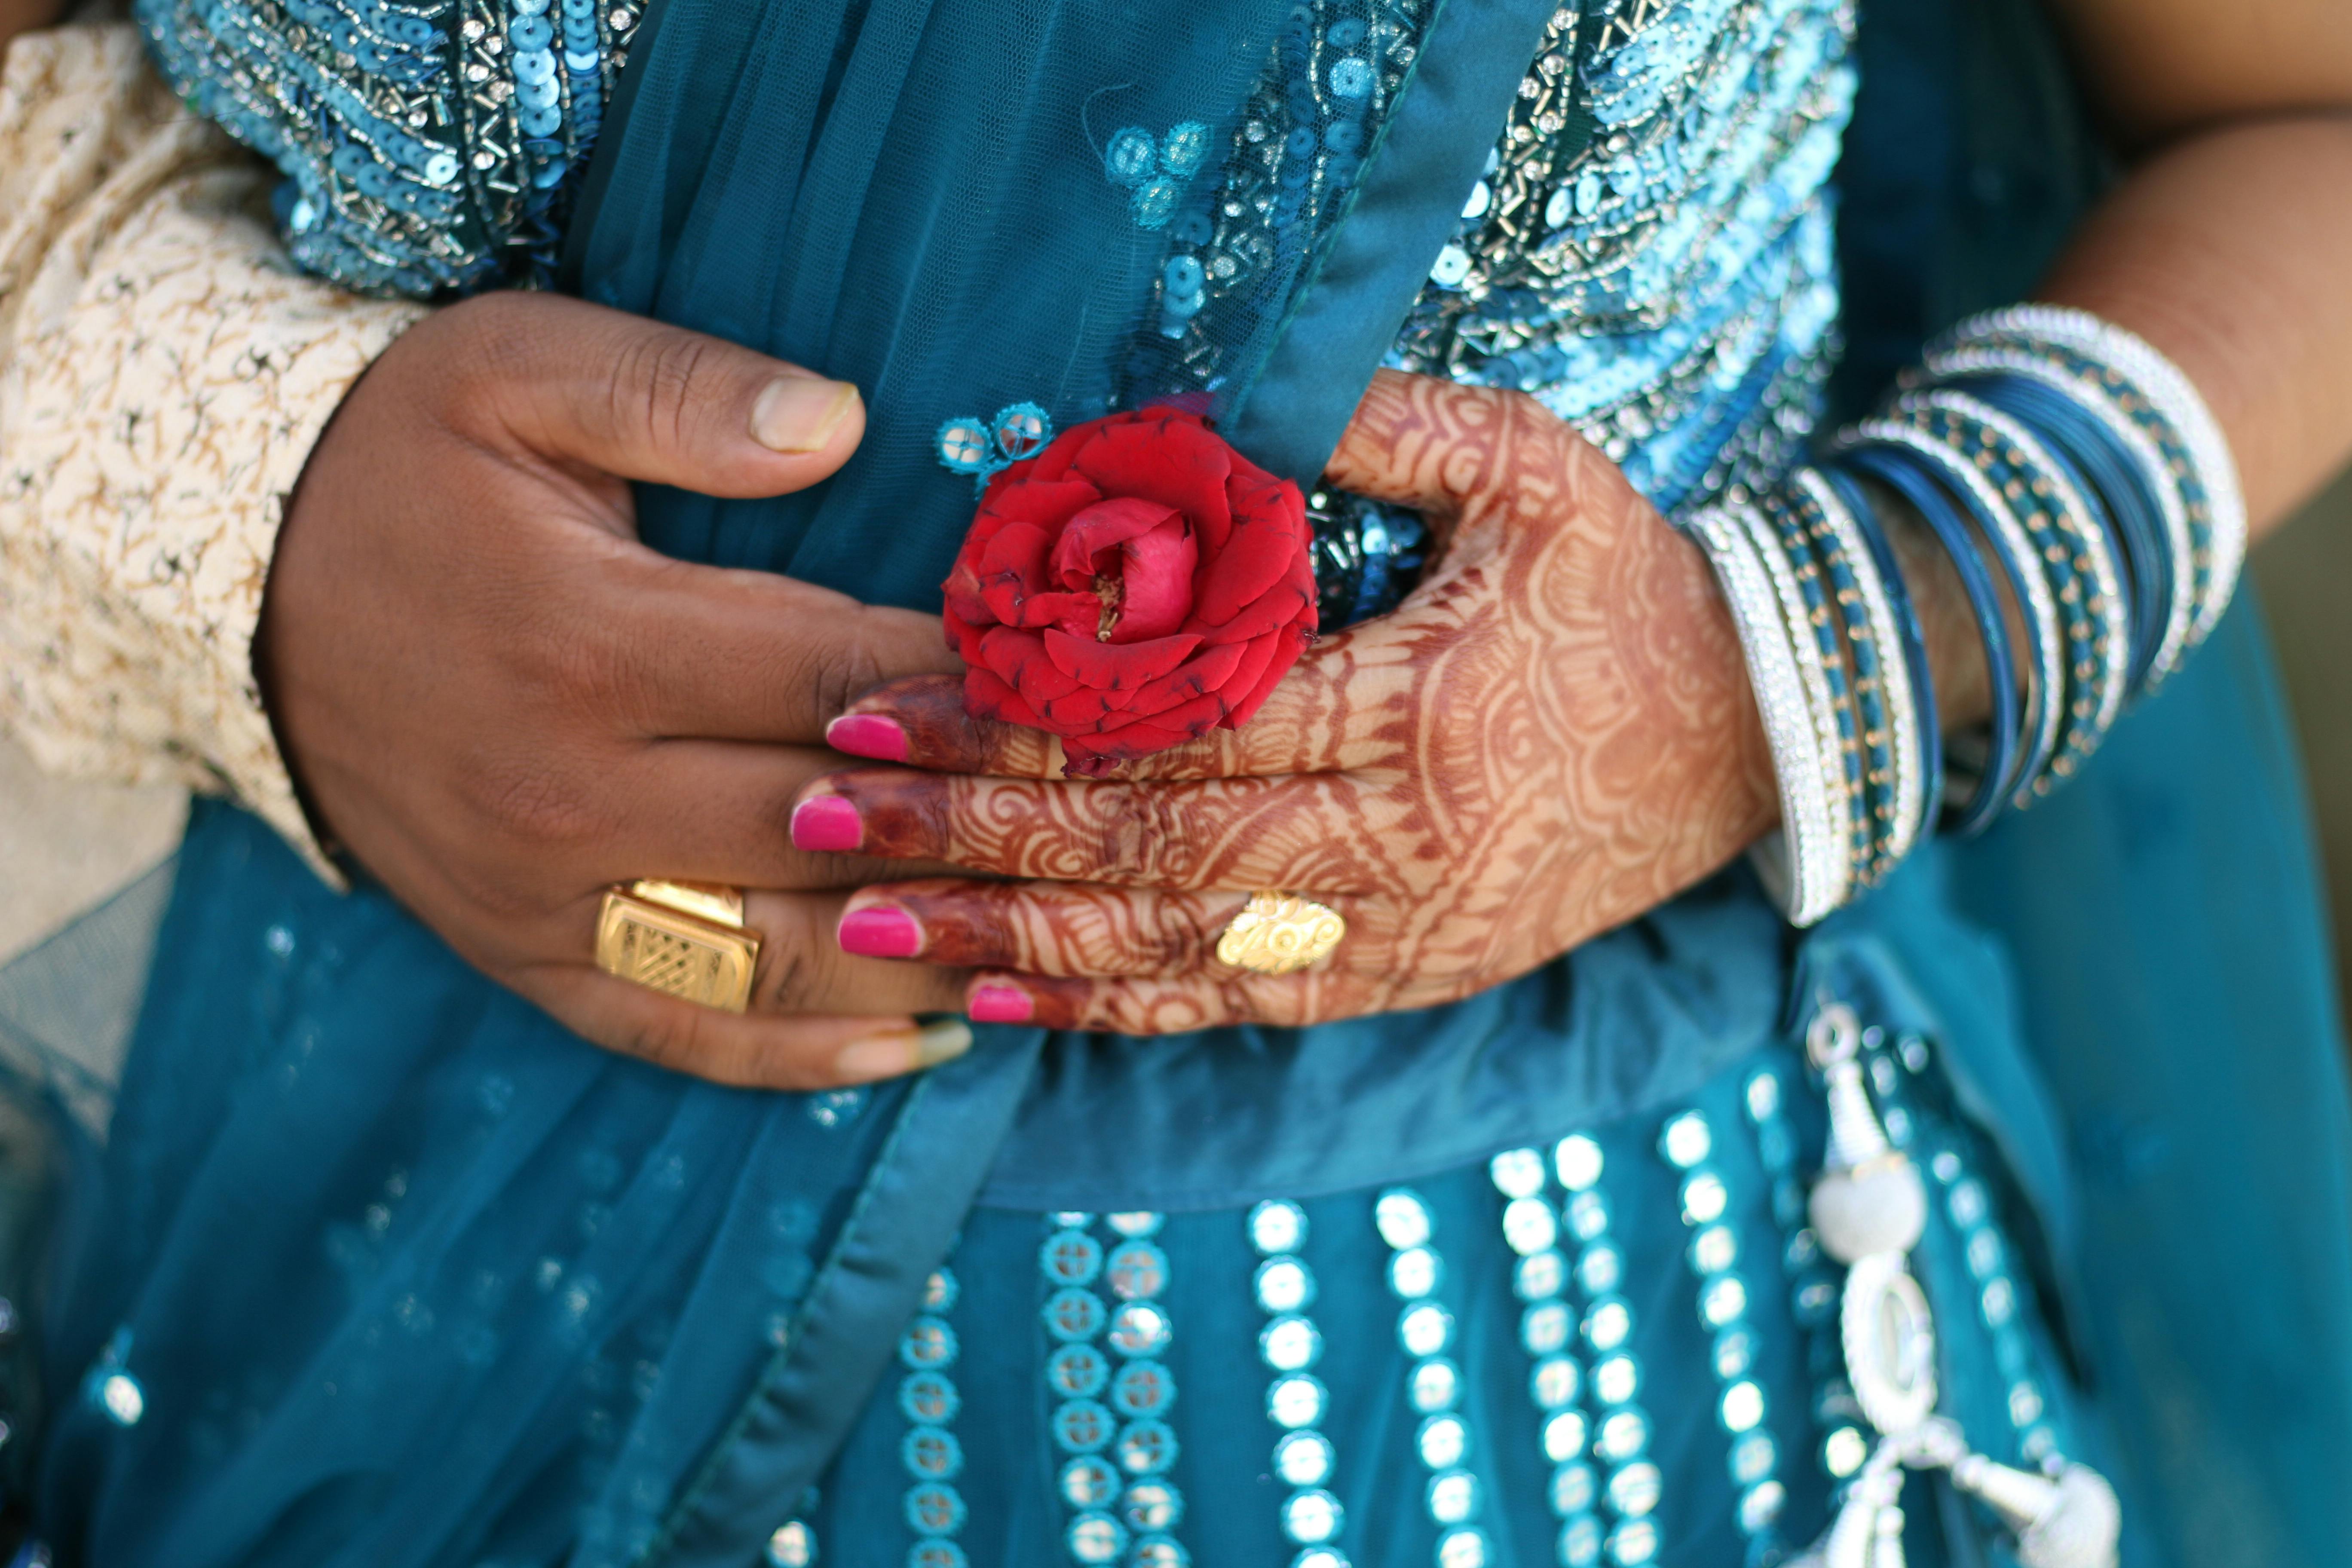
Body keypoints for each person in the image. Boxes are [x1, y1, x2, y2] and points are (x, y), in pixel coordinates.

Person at [1, 0, 2349, 1562]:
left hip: (1585, 1384)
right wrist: (242, 494)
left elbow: (2302, 112)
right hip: (378, 1286)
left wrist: (1791, 665)